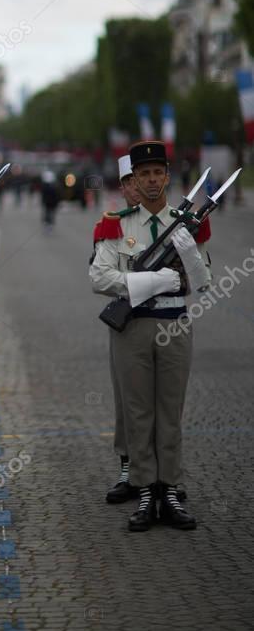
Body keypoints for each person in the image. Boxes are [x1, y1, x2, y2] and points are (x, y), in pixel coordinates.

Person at [90, 140, 211, 532]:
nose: (152, 180)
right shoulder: (117, 223)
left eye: (158, 172)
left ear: (168, 176)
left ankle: (169, 489)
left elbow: (204, 282)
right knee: (139, 413)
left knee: (170, 413)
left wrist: (189, 254)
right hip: (135, 327)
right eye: (144, 174)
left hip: (174, 323)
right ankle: (145, 490)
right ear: (134, 181)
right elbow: (98, 277)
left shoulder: (185, 222)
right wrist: (149, 281)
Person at [92, 155, 140, 504]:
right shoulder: (112, 226)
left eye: (144, 178)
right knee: (128, 402)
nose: (137, 187)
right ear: (122, 187)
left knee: (164, 404)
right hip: (128, 321)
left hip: (165, 319)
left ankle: (163, 476)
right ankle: (129, 468)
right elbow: (100, 274)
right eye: (129, 182)